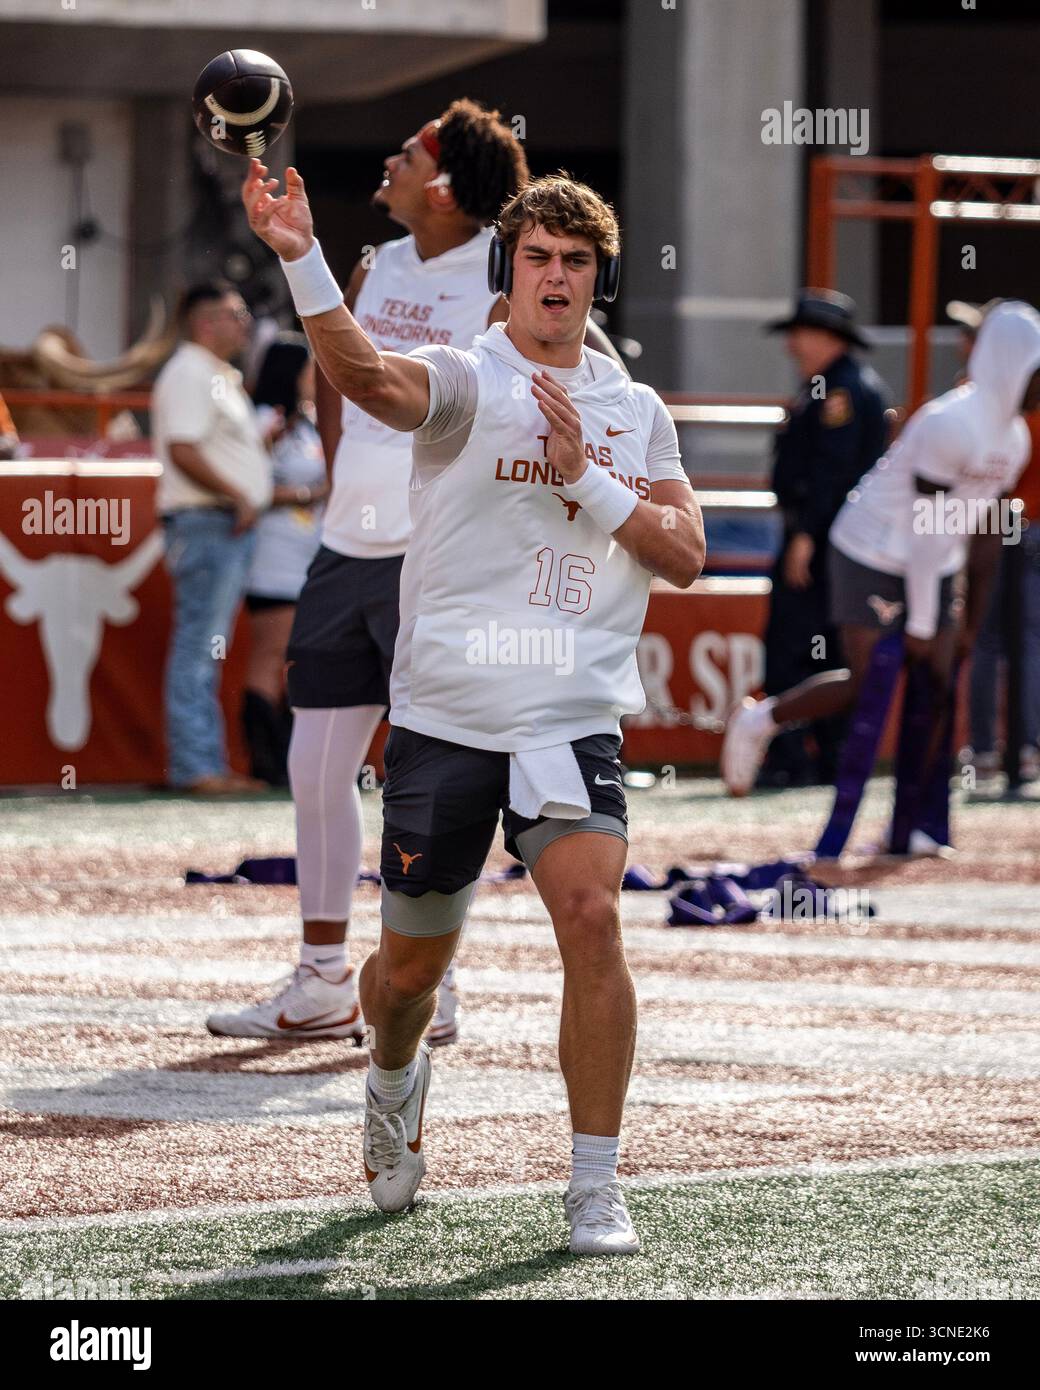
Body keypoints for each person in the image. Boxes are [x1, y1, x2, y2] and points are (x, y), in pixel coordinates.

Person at [242, 161, 704, 1254]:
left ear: (599, 280)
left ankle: (593, 1184)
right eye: (536, 257)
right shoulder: (463, 373)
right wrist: (302, 252)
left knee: (592, 921)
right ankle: (391, 1071)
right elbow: (362, 377)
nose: (554, 277)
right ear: (508, 274)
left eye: (574, 261)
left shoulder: (635, 410)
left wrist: (582, 478)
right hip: (448, 716)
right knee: (408, 971)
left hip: (569, 716)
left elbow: (680, 554)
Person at [207, 101, 530, 1047]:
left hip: (439, 555)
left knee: (430, 776)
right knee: (314, 768)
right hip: (349, 549)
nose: (385, 163)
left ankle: (441, 979)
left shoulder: (502, 276)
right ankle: (319, 978)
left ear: (441, 187)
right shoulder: (375, 263)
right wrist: (353, 496)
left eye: (406, 153)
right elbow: (333, 382)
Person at [722, 302, 1040, 843]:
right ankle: (763, 719)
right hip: (869, 547)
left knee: (937, 682)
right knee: (870, 680)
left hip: (935, 557)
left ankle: (913, 825)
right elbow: (925, 524)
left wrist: (966, 620)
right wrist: (920, 620)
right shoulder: (948, 422)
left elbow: (983, 534)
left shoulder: (1015, 441)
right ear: (1011, 363)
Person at [759, 289, 890, 786]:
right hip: (832, 545)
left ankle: (795, 757)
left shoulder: (839, 393)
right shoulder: (828, 386)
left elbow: (833, 474)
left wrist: (807, 536)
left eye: (799, 333)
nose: (791, 344)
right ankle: (823, 756)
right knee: (822, 647)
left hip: (822, 544)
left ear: (825, 337)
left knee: (797, 645)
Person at [153, 282, 273, 795]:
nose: (244, 322)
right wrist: (238, 495)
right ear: (206, 323)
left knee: (202, 645)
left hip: (219, 523)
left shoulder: (213, 375)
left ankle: (202, 763)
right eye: (234, 313)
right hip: (210, 523)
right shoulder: (190, 373)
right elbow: (182, 449)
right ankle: (196, 767)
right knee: (200, 646)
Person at [948, 301, 1040, 784]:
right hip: (1012, 524)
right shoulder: (987, 402)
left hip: (1000, 526)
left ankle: (991, 749)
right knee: (1021, 639)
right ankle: (1020, 748)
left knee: (991, 638)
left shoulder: (980, 402)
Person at [241, 334, 327, 786]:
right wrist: (309, 494)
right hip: (272, 555)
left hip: (308, 557)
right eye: (308, 368)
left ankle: (292, 757)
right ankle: (265, 759)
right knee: (270, 653)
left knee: (298, 656)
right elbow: (250, 488)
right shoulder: (263, 421)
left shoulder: (311, 422)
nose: (315, 376)